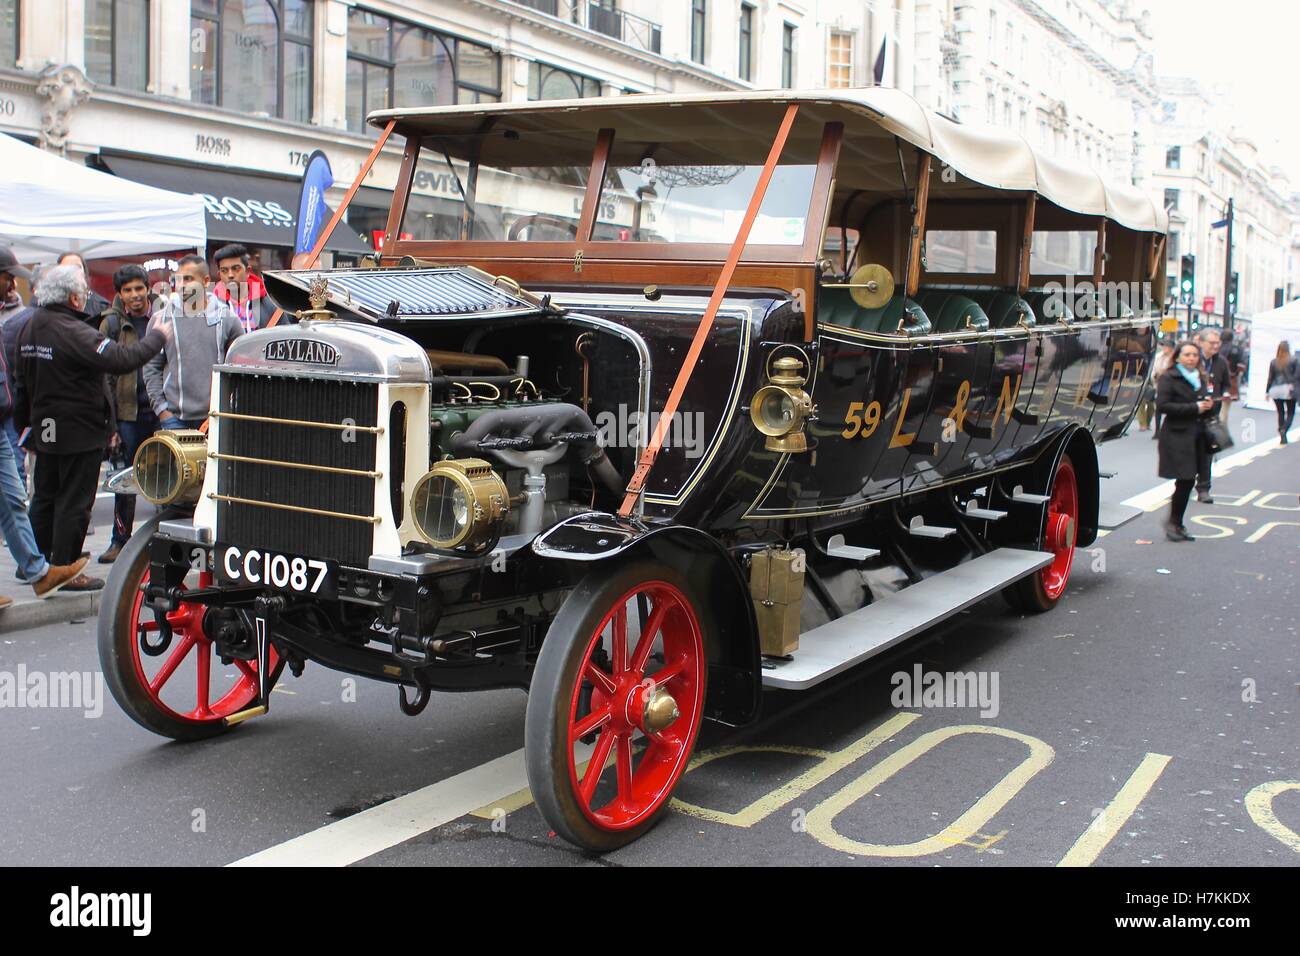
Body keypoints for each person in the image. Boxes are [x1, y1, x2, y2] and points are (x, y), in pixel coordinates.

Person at [12, 264, 172, 592]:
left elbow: (21, 382)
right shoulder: (73, 331)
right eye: (83, 291)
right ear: (73, 297)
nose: (86, 296)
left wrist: (23, 425)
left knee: (45, 493)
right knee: (74, 497)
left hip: (45, 423)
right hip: (76, 426)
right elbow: (122, 359)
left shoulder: (31, 325)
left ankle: (34, 563)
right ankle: (66, 568)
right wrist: (158, 336)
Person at [98, 264, 163, 562]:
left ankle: (165, 537)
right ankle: (119, 540)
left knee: (167, 475)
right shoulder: (111, 323)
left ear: (147, 287)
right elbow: (105, 375)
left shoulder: (163, 314)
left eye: (139, 288)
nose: (135, 295)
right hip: (128, 412)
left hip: (161, 409)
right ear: (120, 294)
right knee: (127, 477)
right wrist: (110, 423)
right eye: (128, 290)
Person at [145, 255, 242, 430]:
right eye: (177, 280)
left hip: (216, 417)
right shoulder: (162, 318)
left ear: (205, 281)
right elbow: (151, 367)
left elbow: (241, 366)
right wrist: (162, 410)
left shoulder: (226, 318)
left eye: (188, 279)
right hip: (174, 419)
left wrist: (230, 405)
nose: (181, 285)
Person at [1156, 340, 1213, 542]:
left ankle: (1177, 523)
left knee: (1188, 481)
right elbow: (1163, 406)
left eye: (1195, 355)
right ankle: (1174, 523)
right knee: (1186, 479)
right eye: (1187, 354)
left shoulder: (1200, 377)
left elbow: (1204, 403)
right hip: (1176, 435)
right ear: (1178, 356)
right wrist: (1195, 408)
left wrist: (1208, 405)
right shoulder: (1169, 377)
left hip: (1198, 435)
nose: (1191, 358)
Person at [1194, 328, 1231, 503]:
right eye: (1212, 343)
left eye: (1218, 343)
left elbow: (1225, 384)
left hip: (1211, 416)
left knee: (1207, 453)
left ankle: (1203, 489)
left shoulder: (1221, 362)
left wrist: (1222, 396)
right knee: (1189, 453)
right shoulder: (1192, 359)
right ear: (1201, 342)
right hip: (1191, 413)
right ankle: (1185, 483)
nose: (1216, 346)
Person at [212, 243, 271, 333]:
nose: (230, 275)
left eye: (236, 269)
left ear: (248, 271)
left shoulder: (269, 303)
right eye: (224, 271)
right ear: (219, 275)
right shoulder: (212, 307)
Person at [56, 251, 111, 320]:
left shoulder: (101, 306)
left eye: (77, 267)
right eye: (66, 268)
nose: (72, 271)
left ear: (84, 271)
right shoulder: (50, 305)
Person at [1139, 338, 1174, 433]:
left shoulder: (1174, 358)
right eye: (1164, 346)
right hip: (1156, 383)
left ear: (1171, 348)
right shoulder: (1158, 356)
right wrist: (1155, 375)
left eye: (1167, 346)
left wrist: (1165, 373)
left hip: (1169, 385)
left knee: (1154, 406)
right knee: (1149, 403)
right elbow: (1153, 368)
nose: (1165, 348)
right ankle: (1154, 428)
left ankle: (1156, 425)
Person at [1265, 340, 1296, 444]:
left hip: (1275, 389)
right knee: (1291, 412)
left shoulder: (1274, 361)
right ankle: (1284, 430)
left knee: (1280, 412)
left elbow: (1270, 378)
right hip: (1288, 389)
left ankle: (1282, 433)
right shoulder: (1293, 360)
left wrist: (1267, 391)